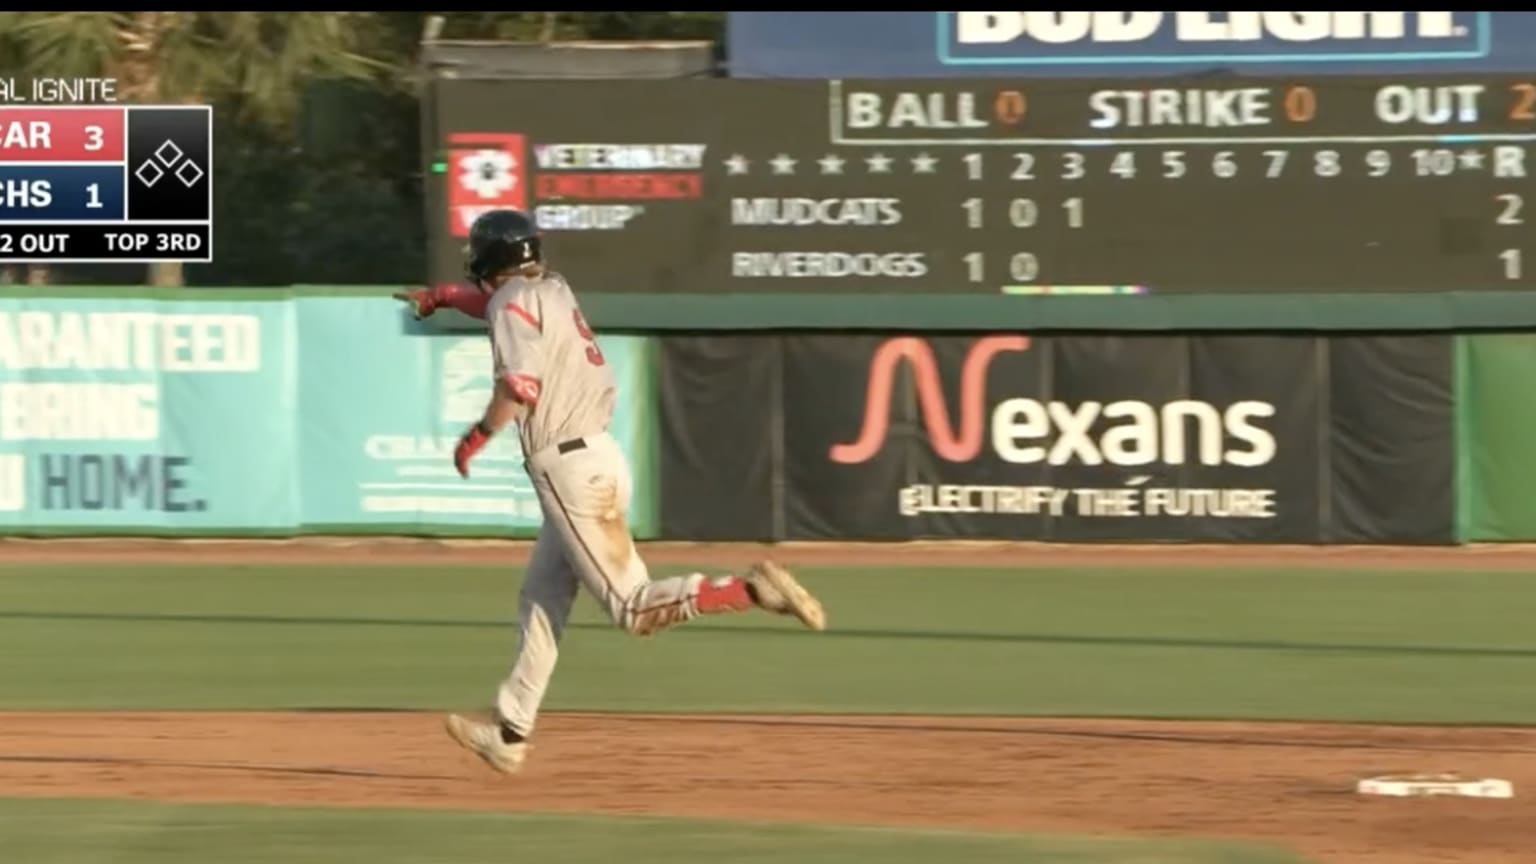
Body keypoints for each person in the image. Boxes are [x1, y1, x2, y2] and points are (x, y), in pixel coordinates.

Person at [423, 208, 827, 775]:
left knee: (634, 609)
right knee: (542, 595)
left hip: (567, 470)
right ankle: (509, 732)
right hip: (598, 456)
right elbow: (494, 305)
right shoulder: (552, 289)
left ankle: (750, 591)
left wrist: (476, 436)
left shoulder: (511, 303)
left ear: (490, 257)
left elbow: (519, 386)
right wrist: (445, 297)